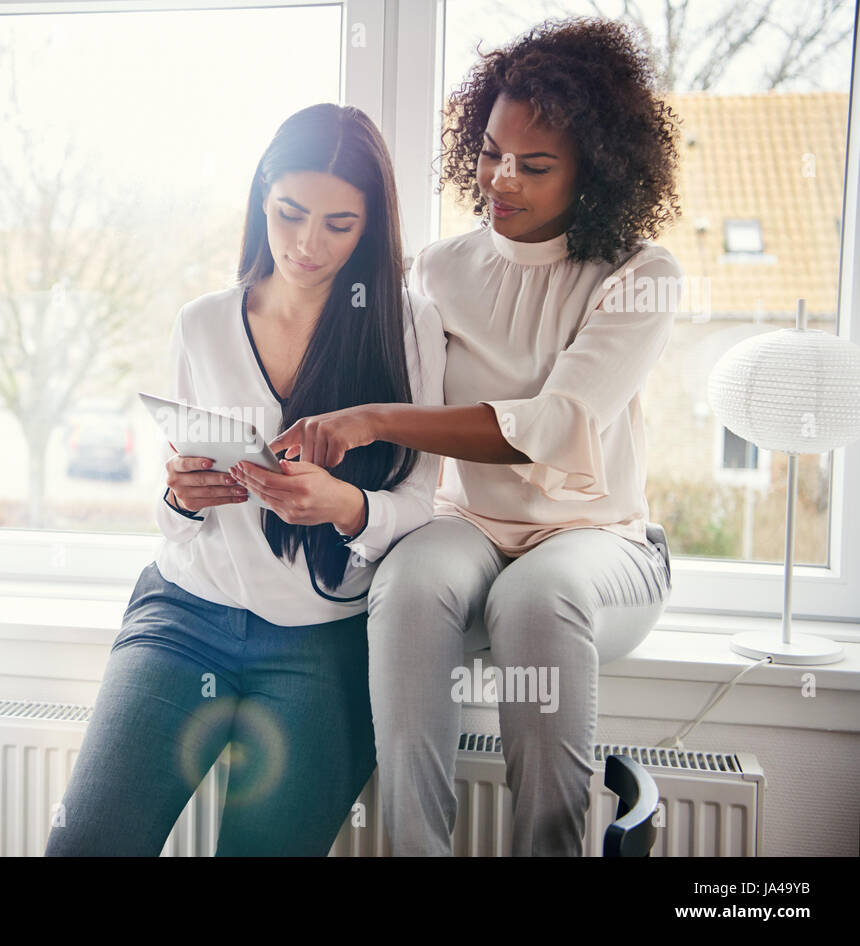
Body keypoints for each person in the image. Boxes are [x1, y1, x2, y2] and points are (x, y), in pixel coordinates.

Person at [269, 18, 682, 856]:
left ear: (594, 171)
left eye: (535, 166)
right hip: (467, 528)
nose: (501, 179)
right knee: (410, 586)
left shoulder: (641, 277)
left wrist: (376, 419)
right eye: (492, 151)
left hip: (599, 542)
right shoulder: (439, 270)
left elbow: (554, 426)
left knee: (536, 597)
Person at [44, 103, 446, 856]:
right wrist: (180, 492)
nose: (306, 244)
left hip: (323, 641)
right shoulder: (202, 323)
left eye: (339, 224)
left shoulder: (406, 325)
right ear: (263, 193)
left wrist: (347, 507)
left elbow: (421, 502)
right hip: (184, 615)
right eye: (290, 212)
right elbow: (176, 516)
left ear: (370, 227)